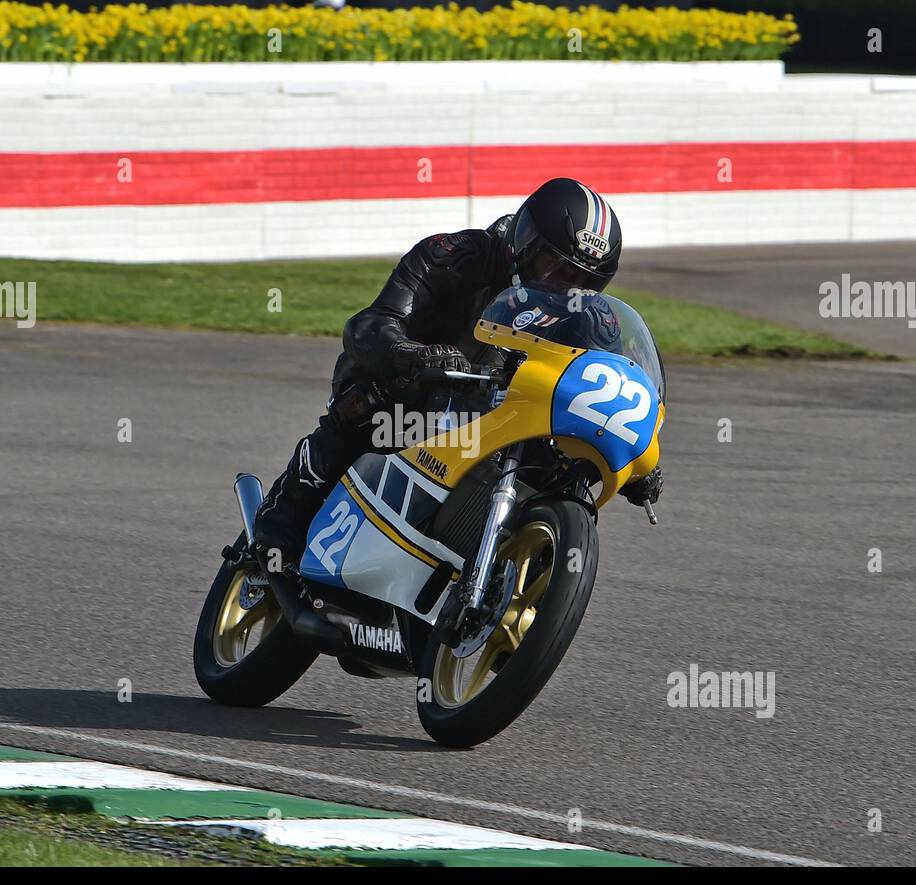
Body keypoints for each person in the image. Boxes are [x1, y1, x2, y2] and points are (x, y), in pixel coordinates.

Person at [251, 177, 663, 596]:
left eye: (581, 281)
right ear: (524, 241)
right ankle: (274, 531)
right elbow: (367, 325)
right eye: (552, 268)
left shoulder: (588, 316)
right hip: (409, 390)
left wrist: (628, 451)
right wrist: (414, 356)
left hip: (499, 417)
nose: (564, 287)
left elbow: (604, 383)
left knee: (560, 469)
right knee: (371, 407)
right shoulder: (454, 257)